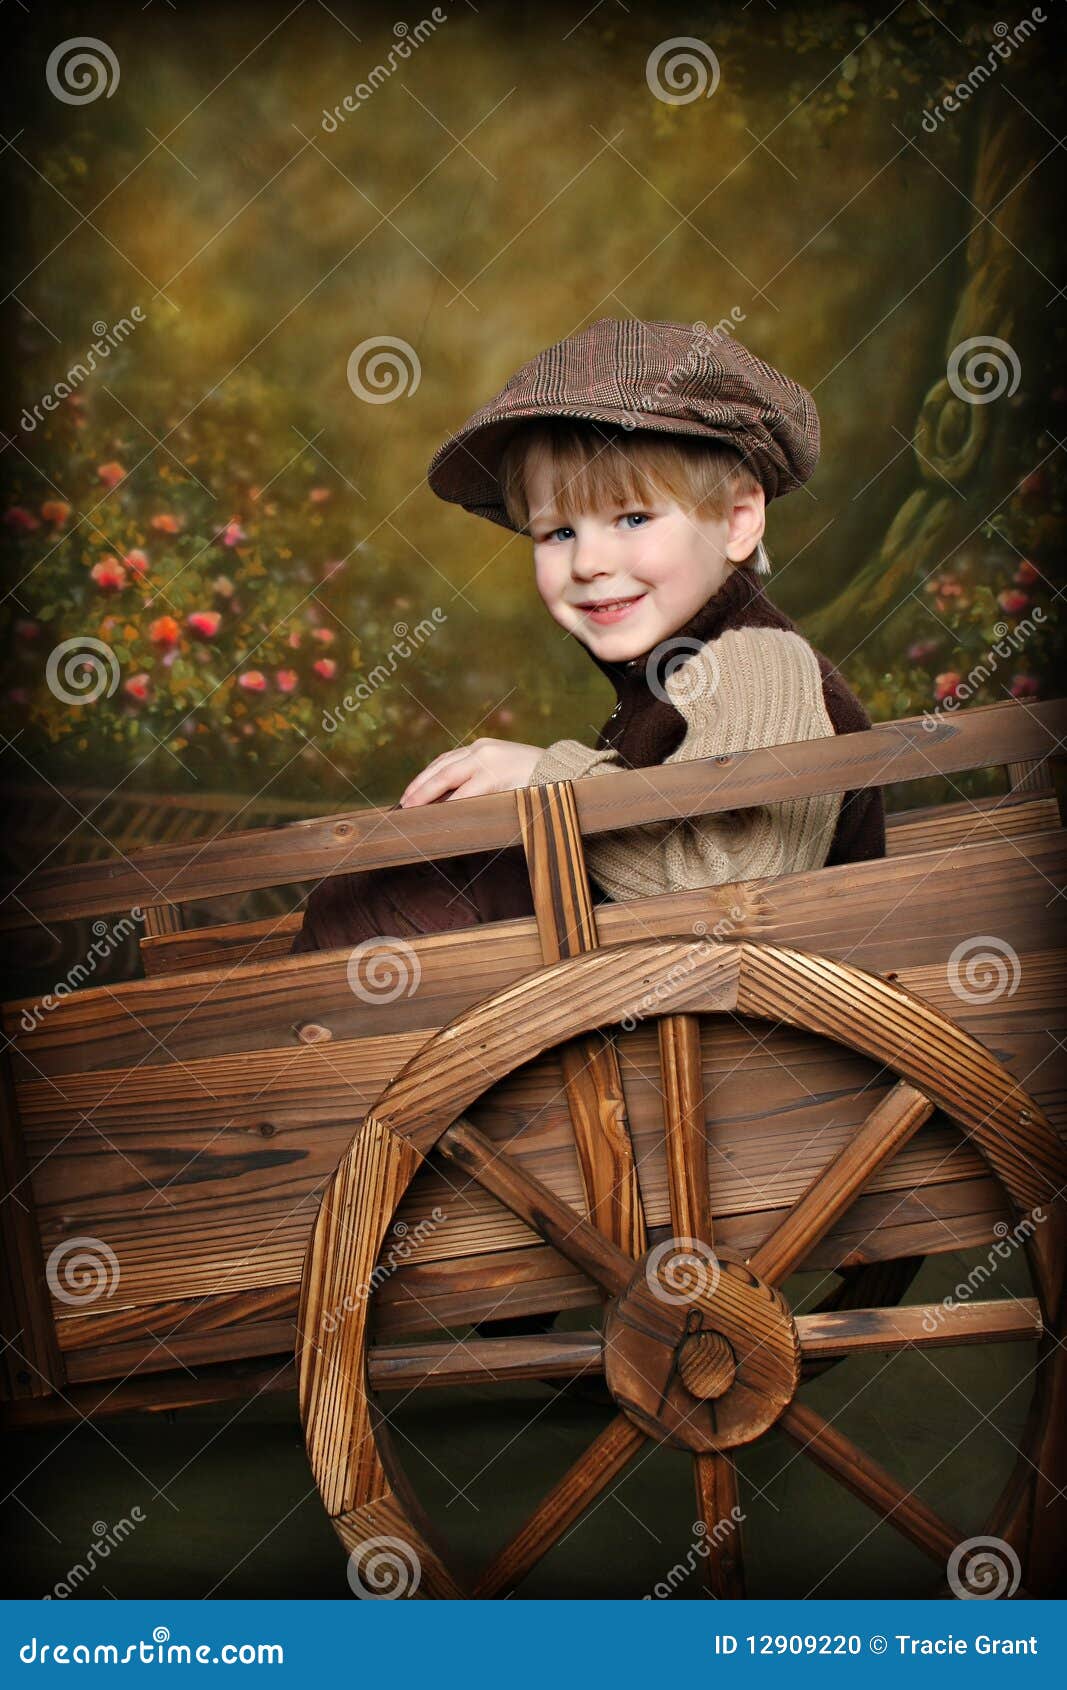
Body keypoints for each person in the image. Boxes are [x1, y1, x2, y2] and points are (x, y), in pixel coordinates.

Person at [289, 317, 884, 956]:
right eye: (559, 532)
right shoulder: (677, 673)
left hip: (744, 1009)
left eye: (632, 517)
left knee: (405, 901)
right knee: (401, 887)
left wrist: (547, 778)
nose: (587, 563)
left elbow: (728, 888)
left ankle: (314, 1039)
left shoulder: (755, 663)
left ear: (738, 522)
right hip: (664, 990)